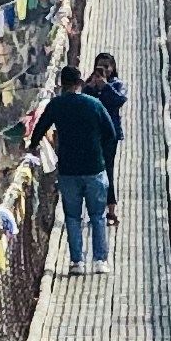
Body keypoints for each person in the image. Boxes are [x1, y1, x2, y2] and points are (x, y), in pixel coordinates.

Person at [30, 57, 122, 267]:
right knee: (97, 216)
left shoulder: (57, 104)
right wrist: (98, 150)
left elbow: (40, 129)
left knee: (72, 217)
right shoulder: (94, 104)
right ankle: (100, 261)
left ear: (62, 85)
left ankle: (76, 262)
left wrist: (32, 146)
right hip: (94, 168)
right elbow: (111, 133)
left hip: (68, 170)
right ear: (79, 83)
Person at [83, 49, 127, 233]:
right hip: (92, 135)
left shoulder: (117, 84)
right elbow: (81, 101)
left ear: (113, 67)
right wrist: (92, 87)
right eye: (101, 67)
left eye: (107, 67)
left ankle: (111, 212)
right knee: (92, 173)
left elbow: (119, 101)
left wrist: (104, 86)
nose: (105, 70)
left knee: (107, 171)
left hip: (110, 136)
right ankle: (96, 212)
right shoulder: (89, 84)